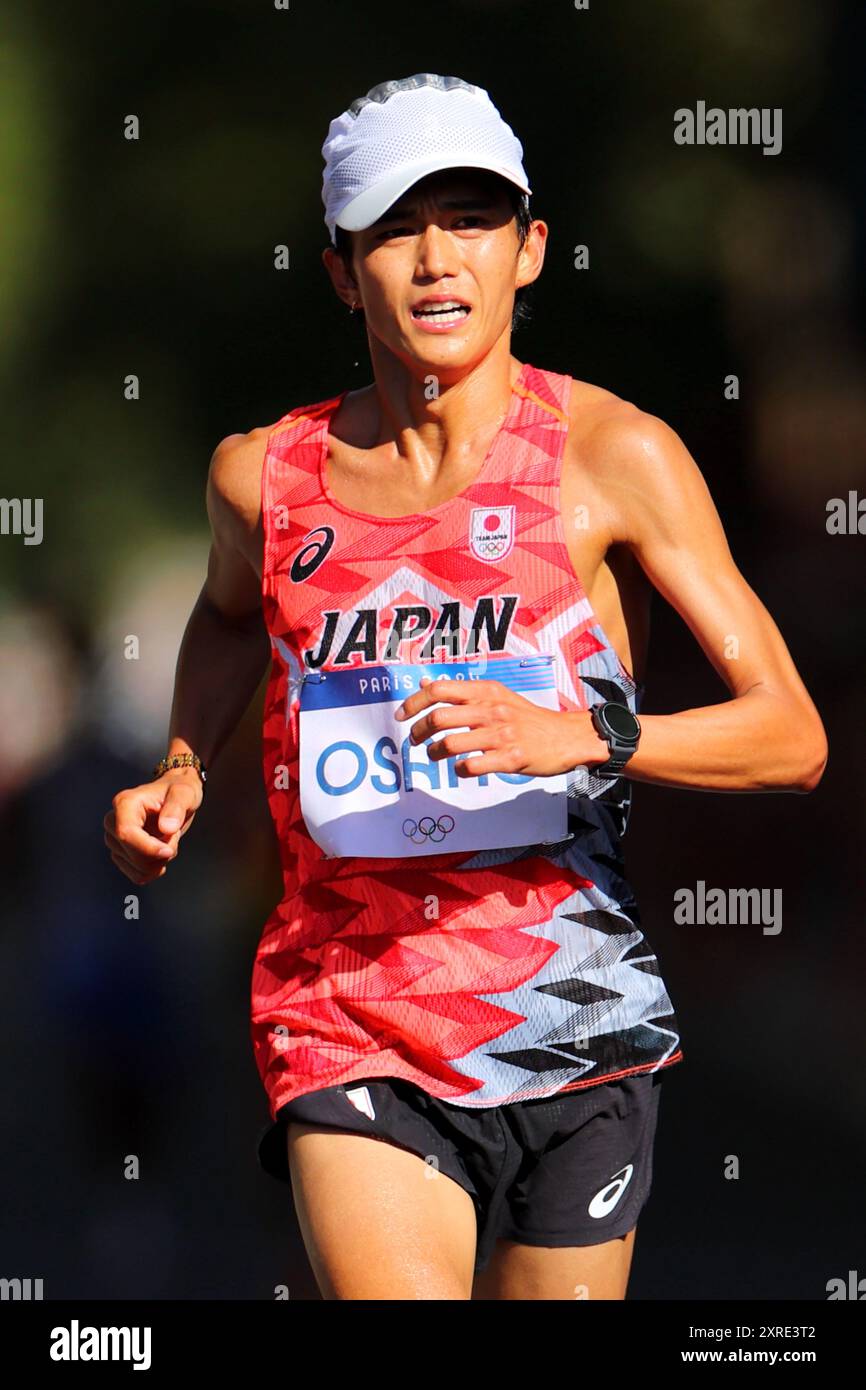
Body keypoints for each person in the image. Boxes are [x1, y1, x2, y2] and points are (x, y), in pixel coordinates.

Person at [103, 73, 828, 1301]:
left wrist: (575, 733)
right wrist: (183, 764)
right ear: (341, 269)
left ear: (529, 248)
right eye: (395, 226)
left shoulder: (613, 456)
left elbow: (790, 735)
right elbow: (229, 620)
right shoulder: (260, 480)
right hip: (346, 1010)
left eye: (472, 218)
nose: (438, 260)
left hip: (571, 1011)